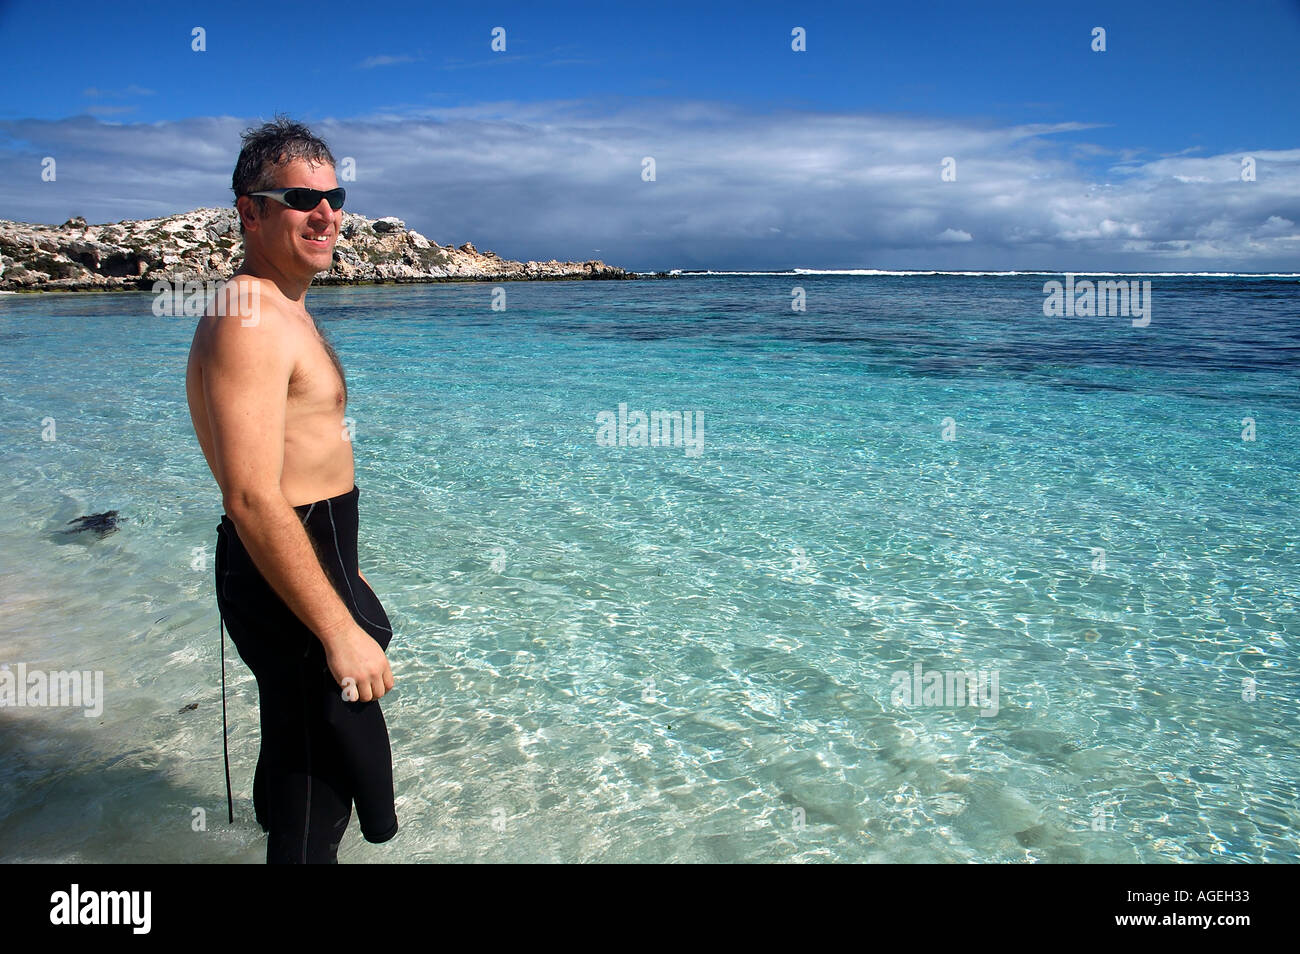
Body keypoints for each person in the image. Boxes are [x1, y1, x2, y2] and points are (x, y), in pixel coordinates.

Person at [184, 115, 398, 863]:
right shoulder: (251, 321)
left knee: (299, 755)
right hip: (280, 573)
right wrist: (338, 630)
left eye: (334, 195)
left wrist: (349, 573)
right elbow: (249, 494)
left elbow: (303, 471)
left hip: (299, 562)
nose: (327, 213)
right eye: (301, 198)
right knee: (321, 790)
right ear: (251, 210)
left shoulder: (281, 309)